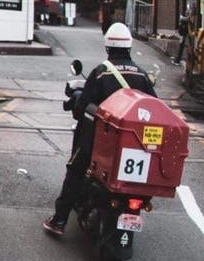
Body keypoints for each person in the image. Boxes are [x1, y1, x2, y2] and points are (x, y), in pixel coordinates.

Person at [45, 21, 155, 236]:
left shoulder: (100, 73)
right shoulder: (142, 76)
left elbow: (83, 107)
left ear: (107, 47)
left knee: (75, 169)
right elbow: (153, 107)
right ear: (129, 46)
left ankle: (59, 220)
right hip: (134, 146)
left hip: (100, 143)